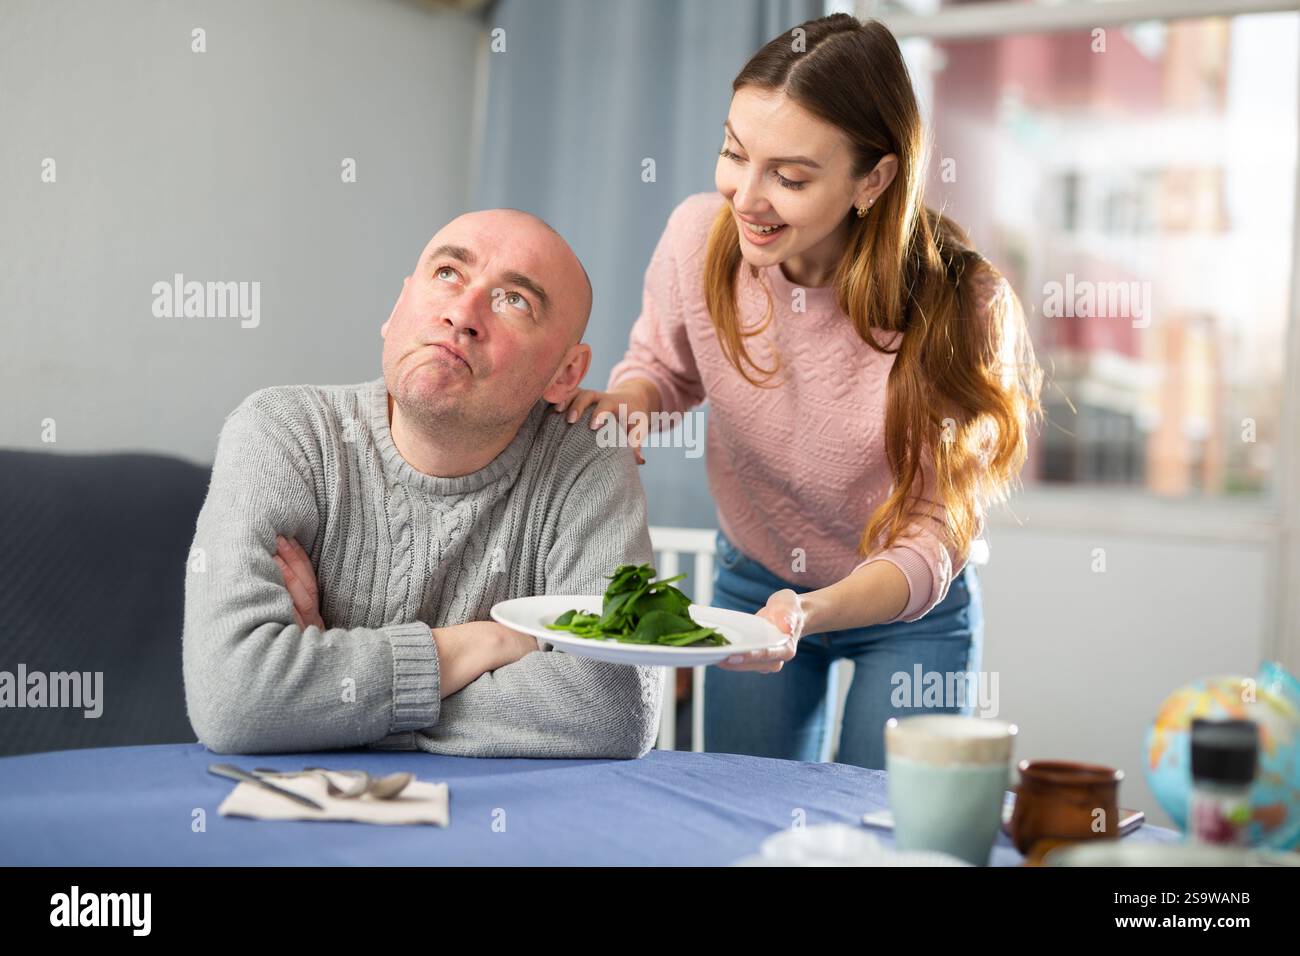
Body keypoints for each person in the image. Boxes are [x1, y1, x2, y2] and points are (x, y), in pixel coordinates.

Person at [557, 14, 1042, 769]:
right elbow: (663, 368)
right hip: (758, 580)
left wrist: (808, 614)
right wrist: (625, 407)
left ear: (872, 179)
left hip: (909, 607)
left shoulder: (961, 307)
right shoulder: (699, 238)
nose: (745, 198)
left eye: (789, 177)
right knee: (749, 810)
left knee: (891, 827)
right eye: (733, 153)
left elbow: (931, 533)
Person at [182, 208, 664, 758]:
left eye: (515, 300)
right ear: (396, 310)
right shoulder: (283, 431)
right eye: (447, 274)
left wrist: (325, 701)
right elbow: (236, 700)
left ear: (566, 375)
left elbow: (614, 708)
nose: (463, 313)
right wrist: (482, 644)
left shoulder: (589, 456)